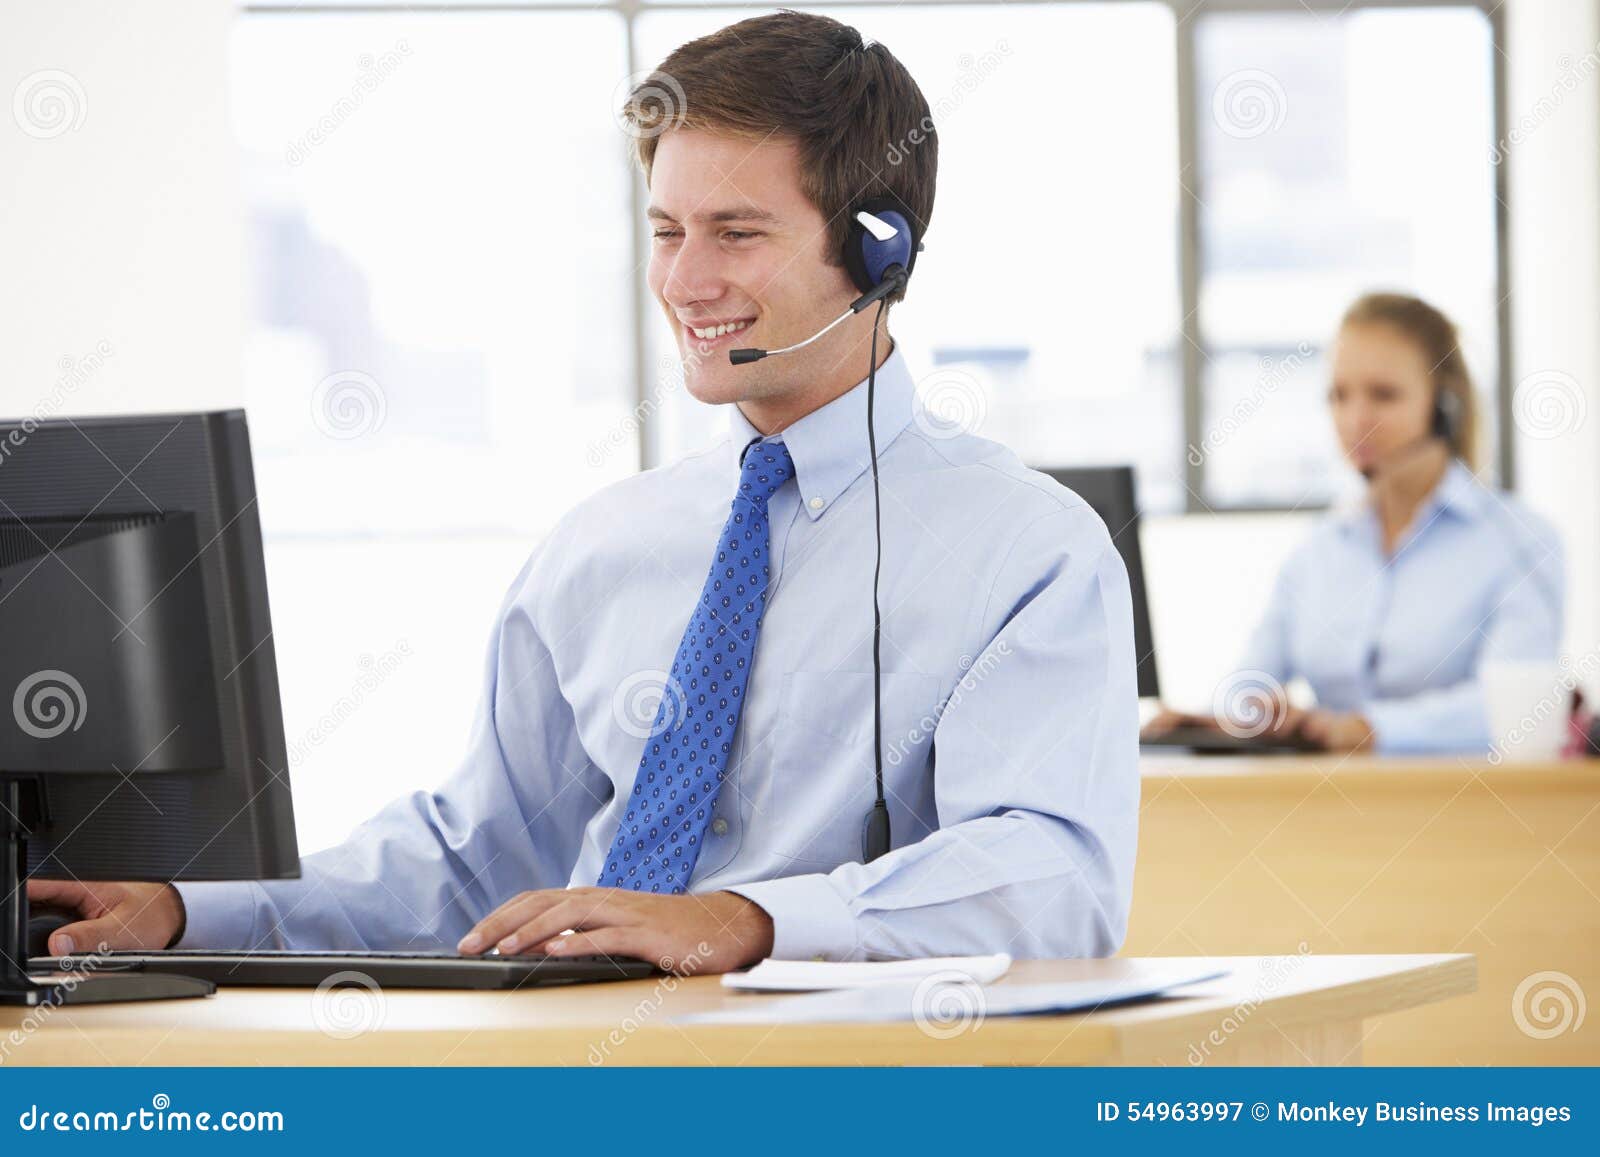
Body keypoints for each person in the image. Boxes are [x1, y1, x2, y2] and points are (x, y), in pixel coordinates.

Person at [30, 12, 1139, 972]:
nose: (684, 281)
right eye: (666, 232)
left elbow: (1051, 875)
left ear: (876, 251)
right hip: (584, 1067)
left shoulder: (1027, 548)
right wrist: (187, 907)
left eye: (736, 233)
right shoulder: (605, 545)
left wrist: (743, 919)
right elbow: (472, 855)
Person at [1146, 292, 1563, 754]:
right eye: (1338, 396)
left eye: (1383, 395)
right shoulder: (1321, 547)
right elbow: (1254, 675)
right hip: (1329, 813)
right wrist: (1226, 718)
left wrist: (1368, 728)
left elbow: (1516, 710)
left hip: (1461, 812)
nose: (1354, 419)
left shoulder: (1520, 541)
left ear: (1445, 405)